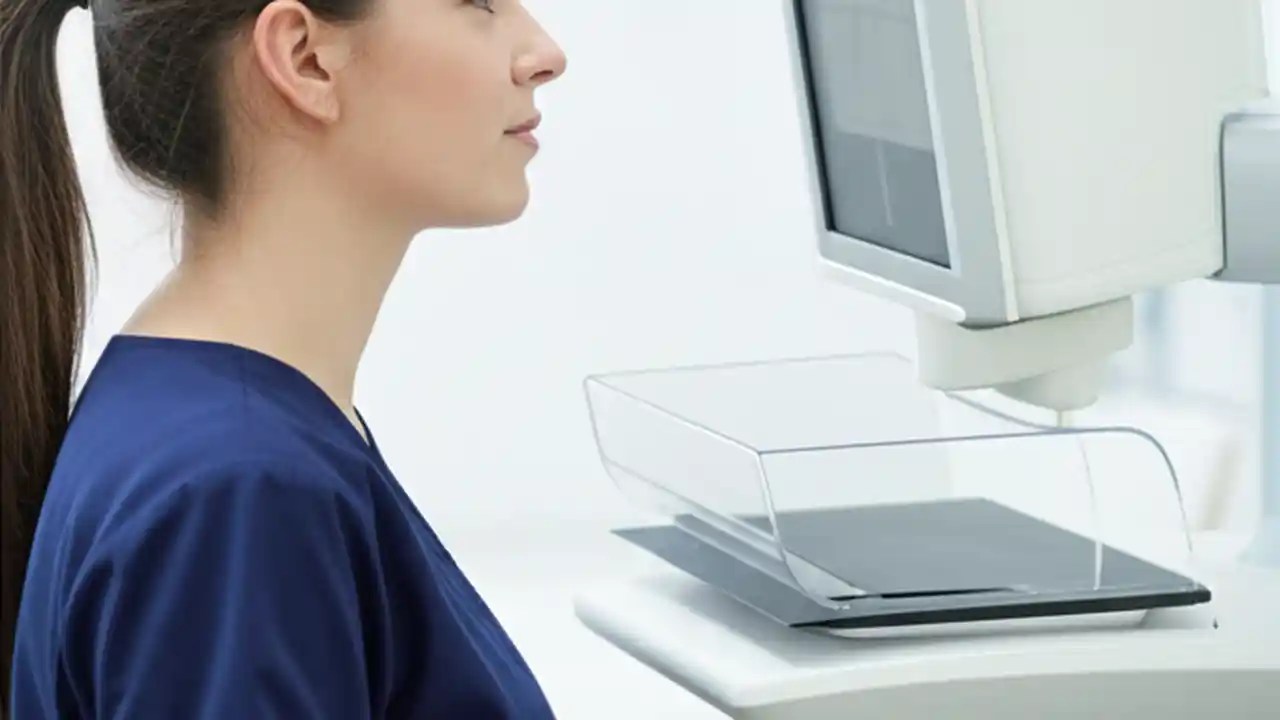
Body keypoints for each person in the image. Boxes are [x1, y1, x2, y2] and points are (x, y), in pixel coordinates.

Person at [0, 0, 566, 716]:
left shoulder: (219, 436)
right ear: (305, 59)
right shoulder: (238, 491)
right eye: (478, 4)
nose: (545, 53)